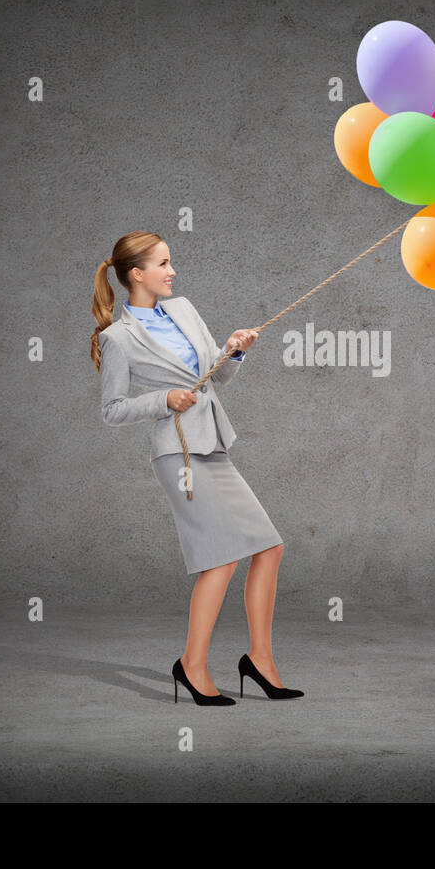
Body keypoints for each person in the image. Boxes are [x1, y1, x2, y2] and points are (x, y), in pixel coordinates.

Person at [89, 231, 303, 705]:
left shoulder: (183, 310)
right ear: (136, 274)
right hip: (179, 454)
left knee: (269, 547)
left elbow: (216, 377)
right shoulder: (118, 338)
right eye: (163, 263)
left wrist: (235, 349)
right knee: (221, 558)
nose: (172, 271)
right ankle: (193, 665)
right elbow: (112, 410)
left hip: (214, 446)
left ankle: (260, 660)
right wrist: (163, 399)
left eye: (171, 262)